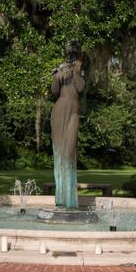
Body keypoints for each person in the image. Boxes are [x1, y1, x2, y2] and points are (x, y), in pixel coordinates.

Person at [51, 40, 84, 210]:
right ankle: (61, 199)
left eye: (75, 51)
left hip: (73, 112)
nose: (72, 54)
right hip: (60, 108)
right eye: (70, 51)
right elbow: (55, 90)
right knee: (59, 153)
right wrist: (56, 76)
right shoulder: (61, 67)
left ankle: (71, 200)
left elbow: (80, 88)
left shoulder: (79, 69)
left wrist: (76, 70)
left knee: (69, 153)